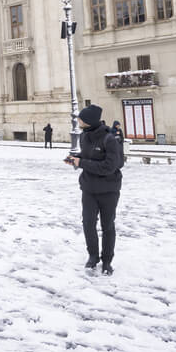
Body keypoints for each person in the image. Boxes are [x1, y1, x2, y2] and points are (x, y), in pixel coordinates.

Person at [67, 103, 124, 275]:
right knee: (88, 223)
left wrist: (82, 163)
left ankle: (107, 261)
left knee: (107, 226)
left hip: (108, 190)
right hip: (89, 189)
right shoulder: (84, 137)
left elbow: (109, 167)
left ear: (89, 121)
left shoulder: (110, 139)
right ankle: (93, 256)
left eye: (81, 119)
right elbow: (87, 156)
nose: (78, 120)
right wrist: (75, 159)